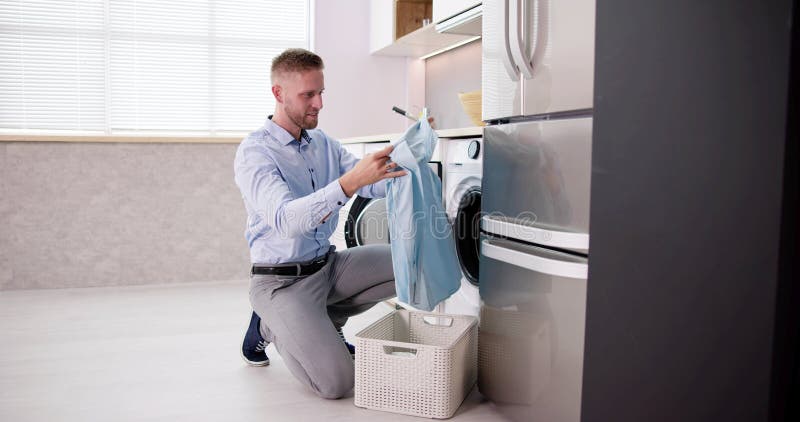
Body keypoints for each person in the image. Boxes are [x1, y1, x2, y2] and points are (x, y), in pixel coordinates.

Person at [233, 48, 407, 399]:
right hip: (281, 284)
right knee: (336, 384)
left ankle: (323, 322)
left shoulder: (322, 143)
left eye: (321, 92)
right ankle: (268, 325)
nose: (319, 104)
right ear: (278, 93)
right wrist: (348, 184)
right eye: (308, 95)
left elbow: (370, 185)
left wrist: (406, 159)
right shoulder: (255, 153)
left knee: (409, 263)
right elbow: (285, 220)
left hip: (326, 268)